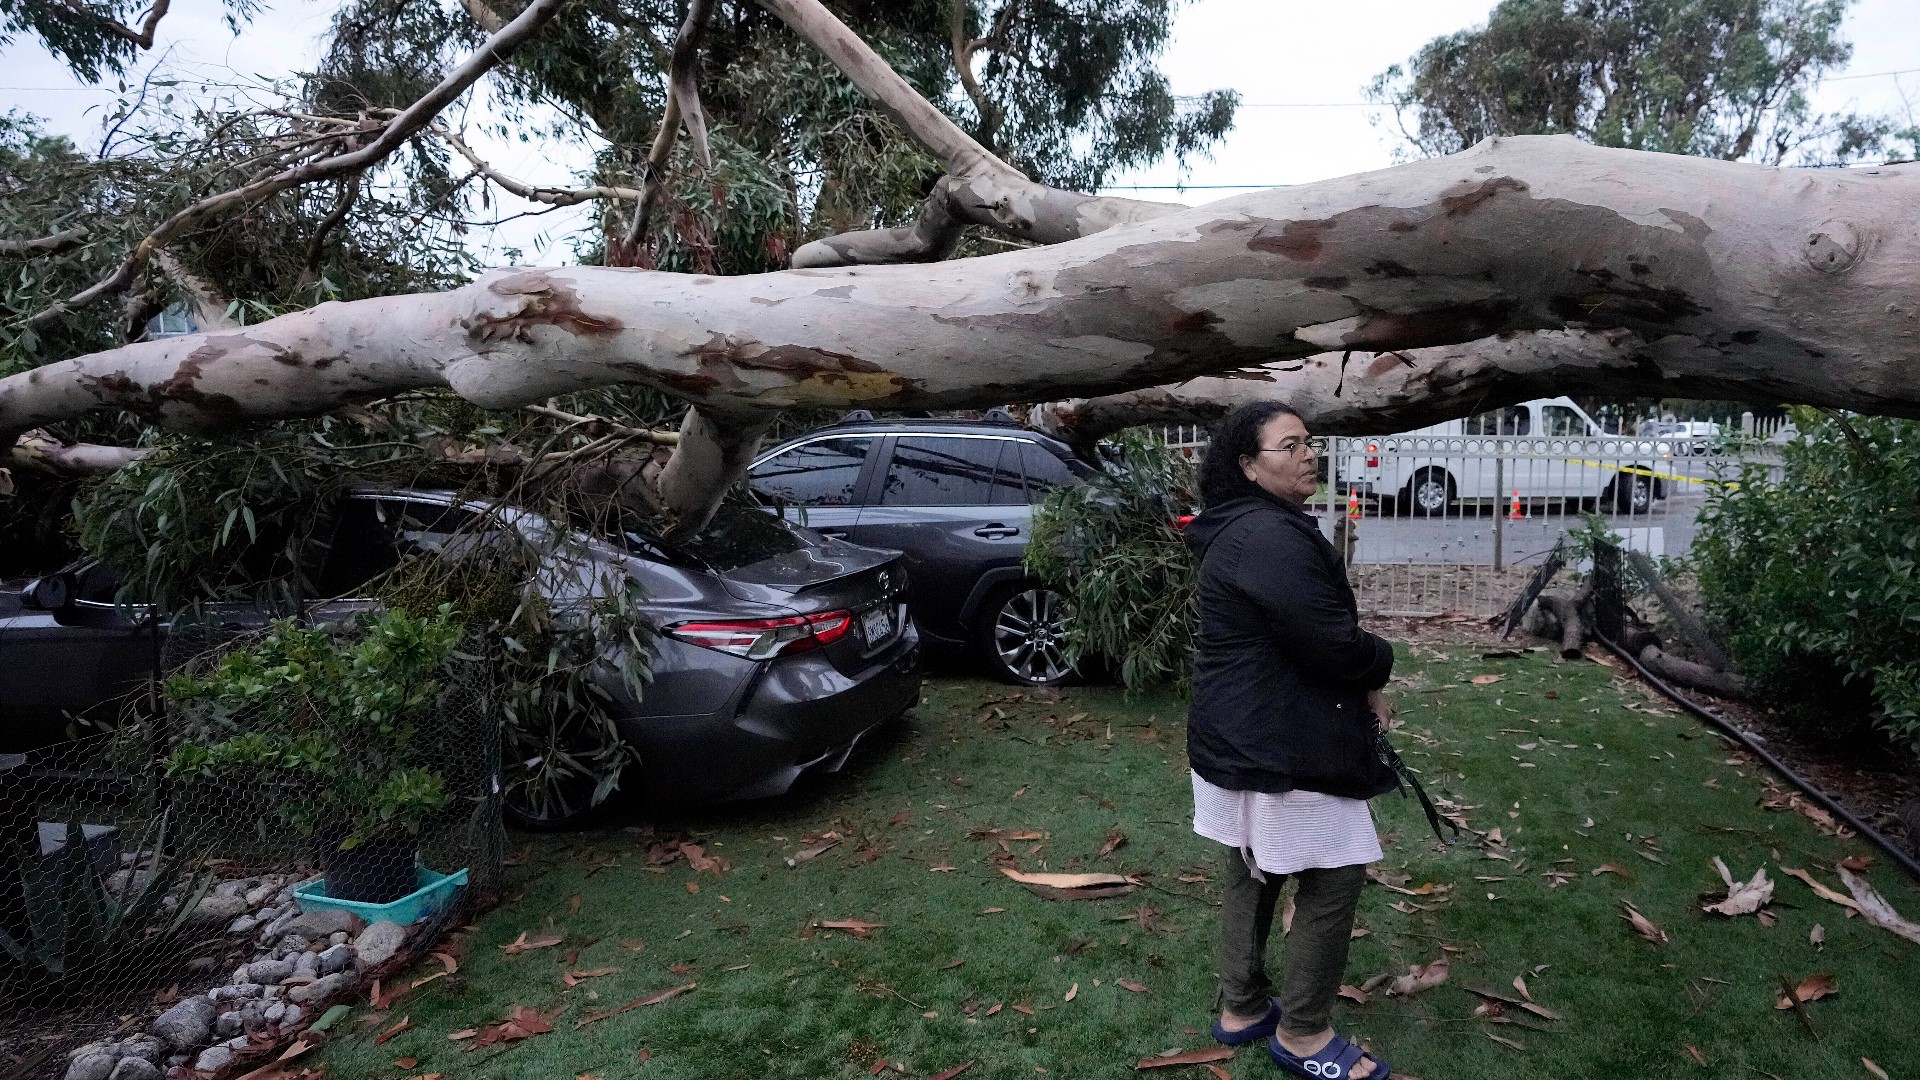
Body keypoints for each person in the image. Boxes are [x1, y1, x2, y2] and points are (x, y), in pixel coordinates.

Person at [1184, 401, 1398, 1080]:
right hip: (1277, 740)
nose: (1310, 454)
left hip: (1249, 730)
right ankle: (1304, 1032)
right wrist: (1379, 664)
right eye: (1290, 445)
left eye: (1310, 442)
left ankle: (1243, 1006)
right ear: (1249, 465)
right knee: (1335, 871)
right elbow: (1329, 642)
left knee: (1255, 863)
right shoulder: (1268, 537)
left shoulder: (1248, 527)